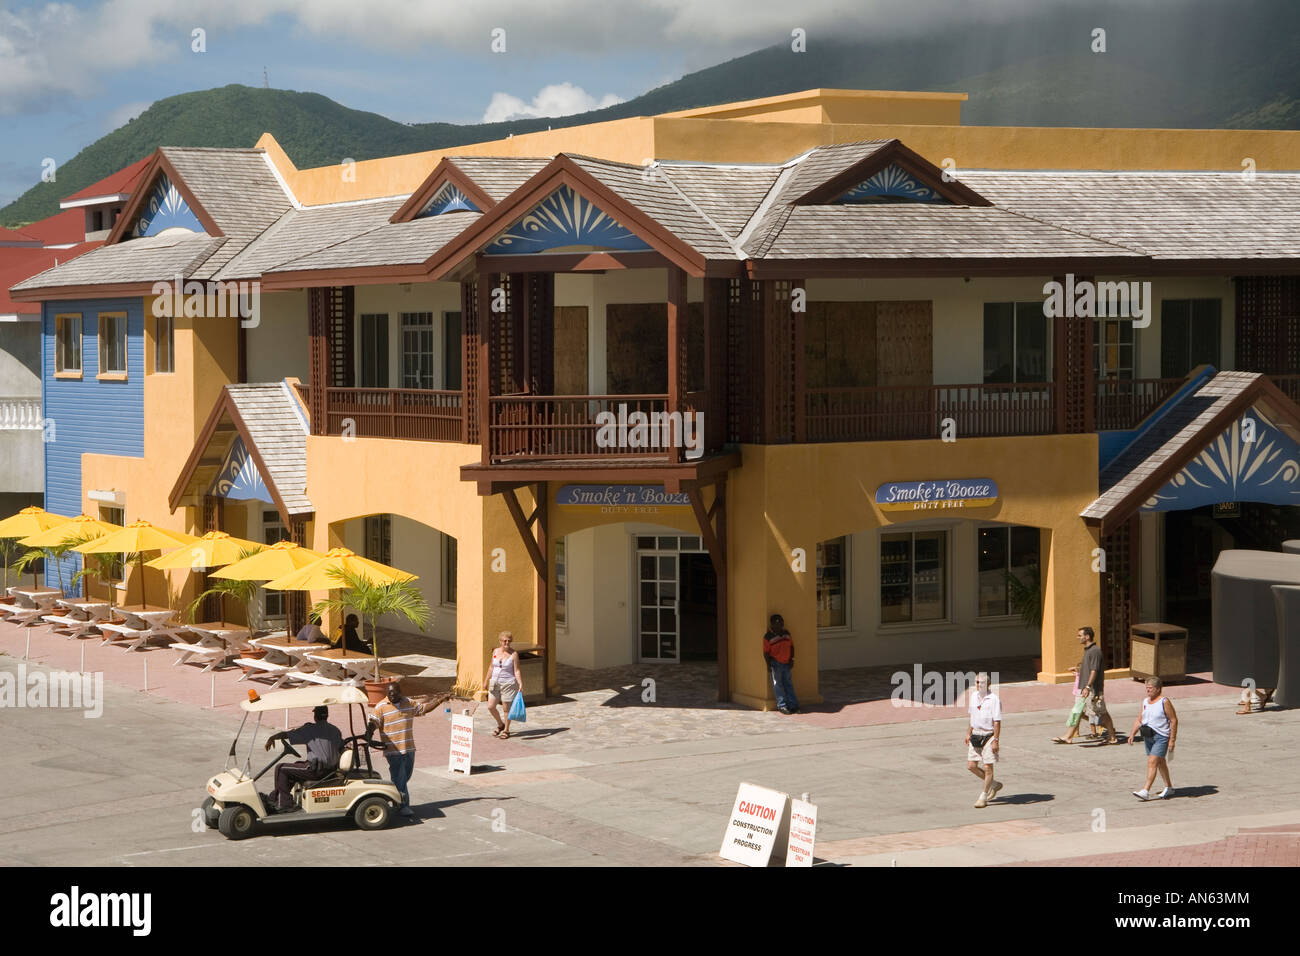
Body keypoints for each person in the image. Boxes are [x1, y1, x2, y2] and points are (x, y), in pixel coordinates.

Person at [368, 681, 443, 816]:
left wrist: (440, 700)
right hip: (393, 750)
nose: (391, 695)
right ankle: (403, 806)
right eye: (388, 693)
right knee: (400, 777)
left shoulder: (408, 702)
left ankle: (392, 794)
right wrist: (369, 733)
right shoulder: (381, 707)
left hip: (408, 748)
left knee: (404, 776)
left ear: (400, 693)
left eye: (394, 693)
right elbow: (373, 722)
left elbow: (423, 709)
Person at [264, 705, 344, 812]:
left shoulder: (309, 729)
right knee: (295, 767)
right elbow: (340, 747)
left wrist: (273, 737)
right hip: (330, 770)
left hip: (316, 770)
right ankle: (275, 797)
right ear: (327, 715)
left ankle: (285, 804)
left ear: (315, 716)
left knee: (281, 768)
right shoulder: (336, 730)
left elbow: (287, 734)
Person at [1053, 626, 1118, 744]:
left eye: (1080, 635)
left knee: (1101, 712)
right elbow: (1088, 668)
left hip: (1092, 689)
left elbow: (1094, 670)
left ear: (1087, 636)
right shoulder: (1088, 650)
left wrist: (1088, 686)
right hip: (1083, 688)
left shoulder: (1095, 651)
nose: (1078, 638)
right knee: (1077, 711)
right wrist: (1078, 669)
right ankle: (1068, 736)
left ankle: (1112, 736)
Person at [1129, 676, 1177, 800]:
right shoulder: (1145, 701)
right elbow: (1140, 719)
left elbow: (1173, 720)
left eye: (1150, 688)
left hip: (1161, 737)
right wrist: (1132, 733)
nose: (1148, 691)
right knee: (1160, 762)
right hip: (1148, 736)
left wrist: (1172, 740)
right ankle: (1169, 787)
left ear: (1158, 689)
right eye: (1147, 688)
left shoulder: (1164, 702)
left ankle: (1146, 790)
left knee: (1152, 761)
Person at [965, 672, 1003, 808]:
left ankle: (983, 796)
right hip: (976, 734)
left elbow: (997, 722)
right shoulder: (974, 697)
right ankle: (994, 784)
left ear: (988, 684)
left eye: (981, 683)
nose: (978, 685)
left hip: (989, 736)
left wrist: (996, 740)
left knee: (988, 767)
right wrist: (968, 733)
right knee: (971, 766)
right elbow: (972, 716)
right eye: (976, 682)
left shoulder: (994, 699)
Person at [486, 630, 523, 738]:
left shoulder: (514, 654)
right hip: (495, 682)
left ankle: (506, 730)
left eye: (509, 641)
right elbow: (491, 667)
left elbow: (517, 670)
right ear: (500, 641)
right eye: (505, 641)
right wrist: (485, 681)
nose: (507, 643)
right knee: (491, 706)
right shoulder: (495, 652)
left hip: (508, 683)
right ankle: (500, 724)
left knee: (506, 708)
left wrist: (520, 683)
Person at [763, 613, 798, 714]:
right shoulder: (768, 636)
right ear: (773, 624)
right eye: (778, 622)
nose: (781, 624)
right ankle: (782, 705)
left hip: (786, 663)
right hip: (775, 664)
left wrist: (792, 659)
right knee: (778, 685)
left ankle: (793, 705)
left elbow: (791, 646)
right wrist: (768, 665)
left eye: (782, 622)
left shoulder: (786, 633)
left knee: (788, 684)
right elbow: (765, 653)